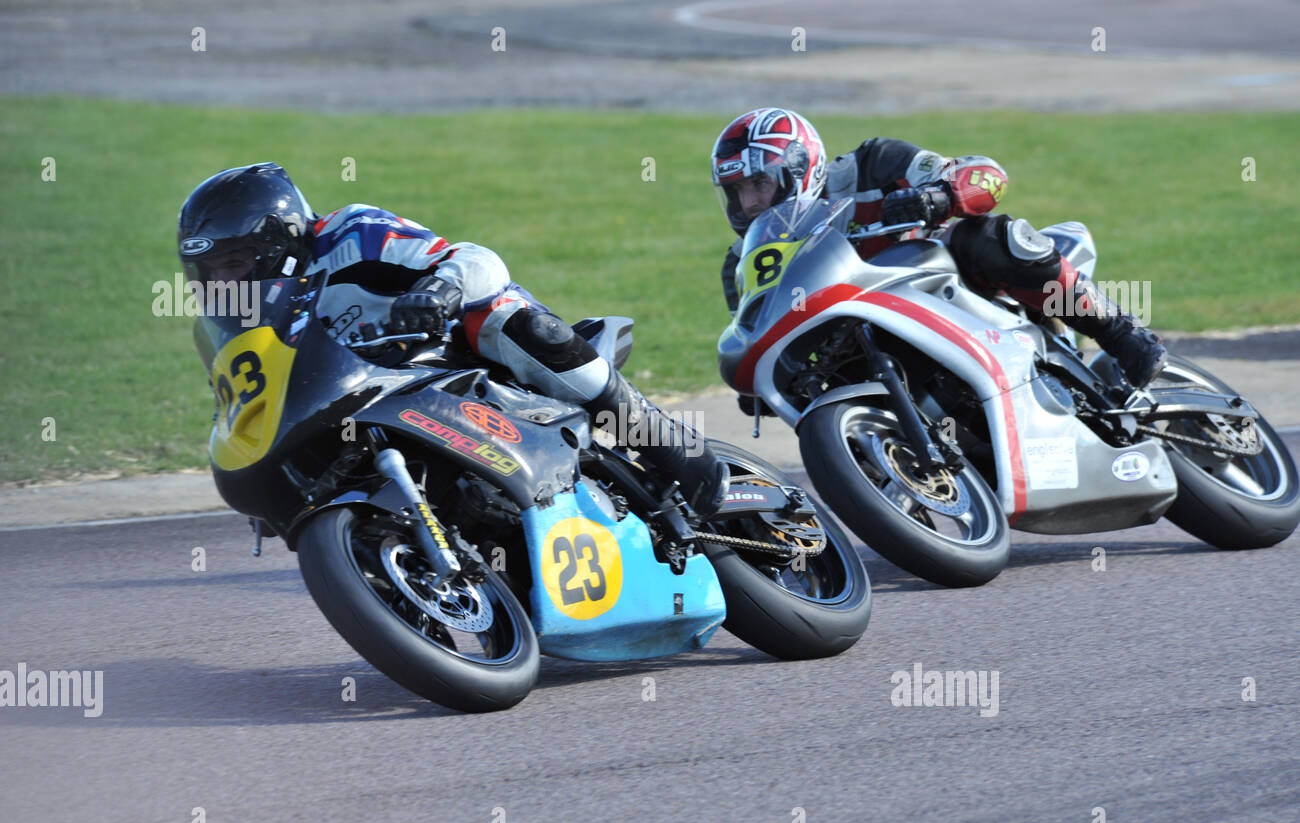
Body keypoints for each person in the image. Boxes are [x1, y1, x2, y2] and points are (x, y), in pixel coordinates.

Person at [176, 162, 726, 515]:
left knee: (509, 319)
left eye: (235, 263)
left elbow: (474, 259)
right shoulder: (249, 324)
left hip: (456, 360)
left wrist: (439, 290)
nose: (223, 284)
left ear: (280, 240)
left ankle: (669, 444)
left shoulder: (351, 233)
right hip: (375, 405)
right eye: (210, 274)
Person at [709, 108, 1166, 393]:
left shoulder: (871, 164)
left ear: (799, 167)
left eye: (759, 183)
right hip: (868, 342)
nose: (749, 202)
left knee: (986, 236)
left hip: (949, 292)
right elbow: (754, 330)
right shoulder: (744, 259)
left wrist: (938, 196)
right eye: (736, 191)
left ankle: (1123, 334)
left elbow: (986, 174)